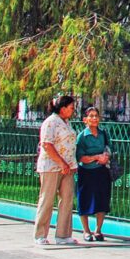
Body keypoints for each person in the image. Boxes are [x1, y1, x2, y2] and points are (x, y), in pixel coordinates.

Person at [33, 95, 81, 246]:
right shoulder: (51, 122)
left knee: (67, 199)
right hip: (51, 167)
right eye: (71, 108)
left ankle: (63, 234)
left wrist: (70, 164)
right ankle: (40, 234)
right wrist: (61, 163)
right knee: (47, 199)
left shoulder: (66, 123)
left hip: (68, 167)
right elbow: (47, 145)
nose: (73, 111)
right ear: (63, 108)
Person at [75, 105, 113, 242]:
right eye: (91, 116)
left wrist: (106, 157)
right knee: (84, 199)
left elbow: (109, 149)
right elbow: (80, 157)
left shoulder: (103, 134)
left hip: (101, 171)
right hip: (87, 172)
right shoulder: (82, 137)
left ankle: (98, 230)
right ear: (85, 119)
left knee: (102, 199)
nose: (94, 118)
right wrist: (96, 157)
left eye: (96, 116)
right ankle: (86, 231)